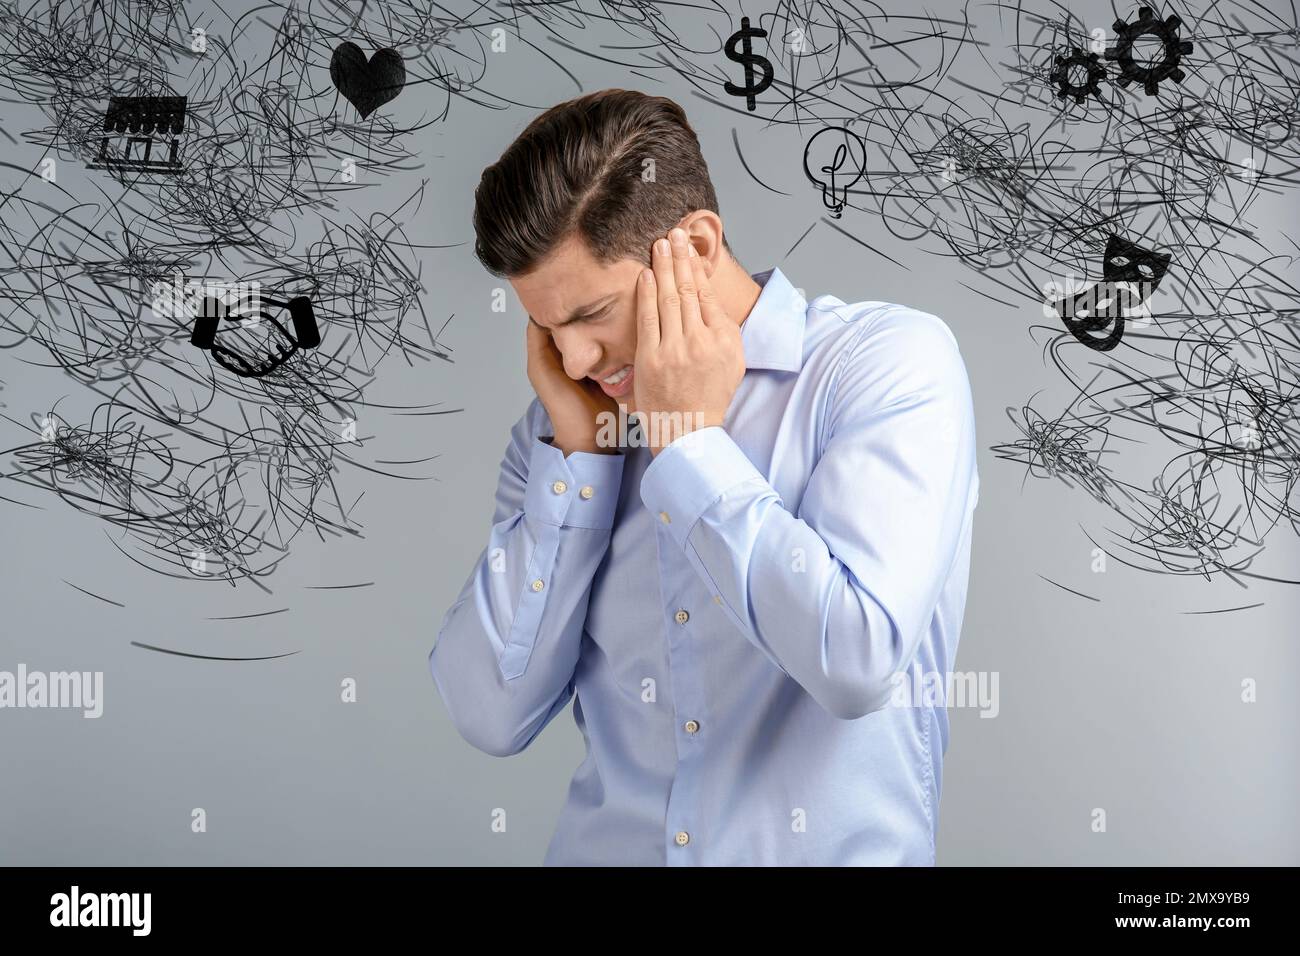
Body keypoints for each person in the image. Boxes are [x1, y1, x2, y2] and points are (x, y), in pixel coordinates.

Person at [429, 88, 980, 865]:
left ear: (694, 246)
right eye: (548, 329)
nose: (575, 360)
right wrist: (578, 467)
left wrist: (687, 444)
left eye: (592, 315)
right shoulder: (564, 429)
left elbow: (855, 662)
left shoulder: (886, 367)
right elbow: (490, 712)